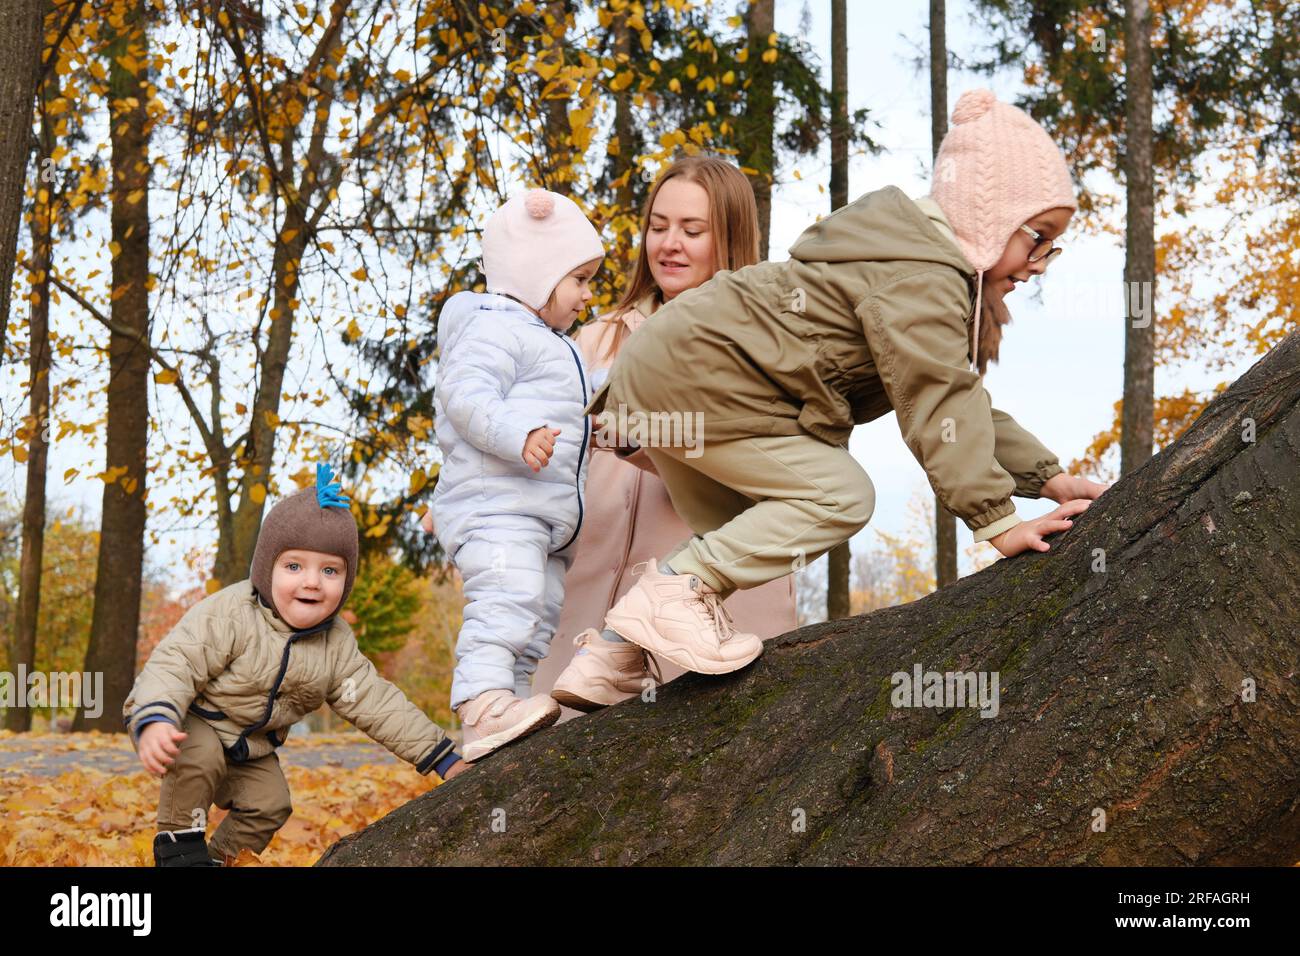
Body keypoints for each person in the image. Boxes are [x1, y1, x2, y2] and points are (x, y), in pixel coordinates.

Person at [585, 89, 1111, 675]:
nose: (1039, 262)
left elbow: (962, 401)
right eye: (1035, 236)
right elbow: (940, 404)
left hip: (668, 376)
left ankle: (614, 656)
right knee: (840, 497)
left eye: (1051, 247)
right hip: (701, 379)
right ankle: (674, 595)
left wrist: (1050, 478)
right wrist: (999, 522)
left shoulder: (897, 259)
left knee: (742, 530)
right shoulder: (926, 278)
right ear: (989, 219)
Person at [537, 155, 797, 715]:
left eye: (692, 230)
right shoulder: (594, 341)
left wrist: (637, 437)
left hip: (706, 635)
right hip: (578, 629)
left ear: (728, 237)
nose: (669, 244)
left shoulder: (769, 346)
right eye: (658, 226)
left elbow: (777, 477)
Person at [125, 464, 467, 867]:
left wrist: (444, 758)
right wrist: (155, 718)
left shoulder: (335, 645)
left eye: (330, 571)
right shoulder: (233, 613)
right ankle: (180, 852)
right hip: (188, 721)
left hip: (249, 746)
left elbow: (377, 704)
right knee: (199, 757)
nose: (311, 582)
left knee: (271, 804)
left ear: (346, 581)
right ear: (265, 568)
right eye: (293, 566)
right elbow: (177, 662)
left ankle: (218, 860)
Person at [430, 188, 604, 760]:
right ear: (537, 273)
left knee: (538, 614)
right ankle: (482, 707)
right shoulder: (492, 328)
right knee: (508, 599)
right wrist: (518, 434)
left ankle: (513, 707)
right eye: (578, 279)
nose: (586, 293)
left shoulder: (557, 346)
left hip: (544, 521)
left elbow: (581, 401)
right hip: (497, 509)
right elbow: (464, 394)